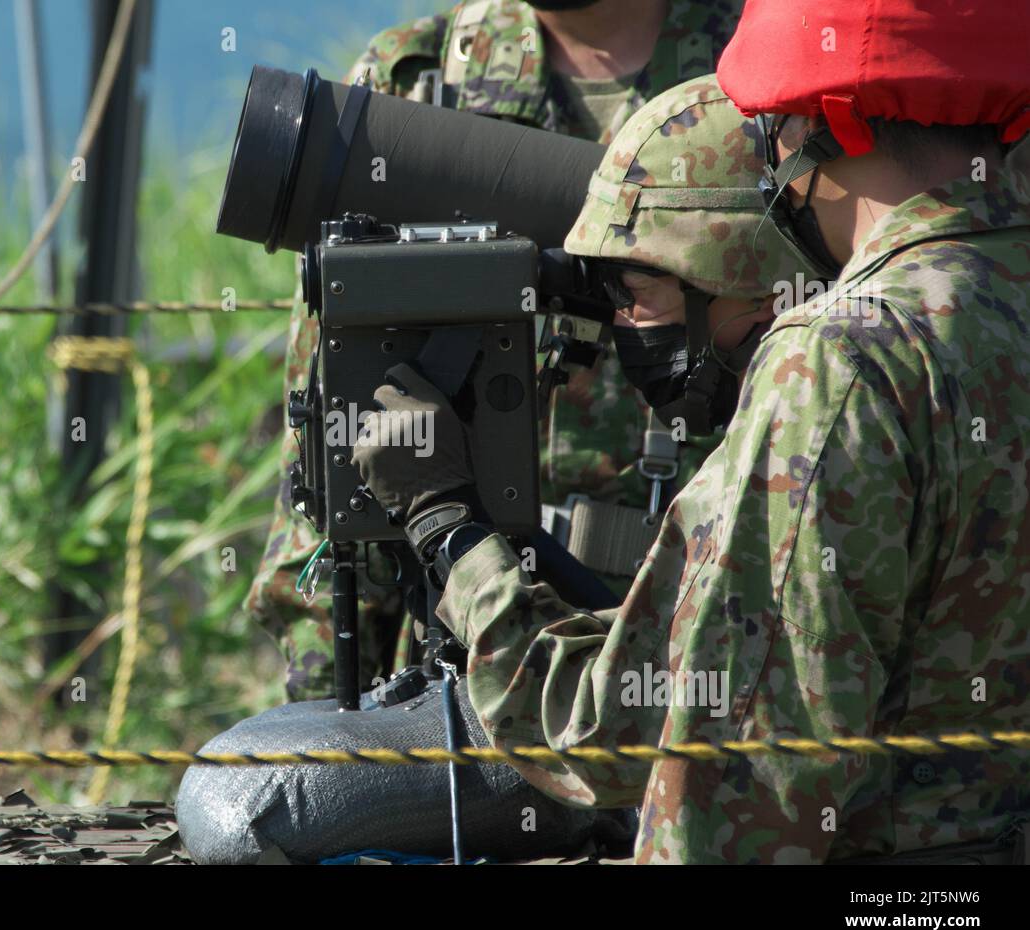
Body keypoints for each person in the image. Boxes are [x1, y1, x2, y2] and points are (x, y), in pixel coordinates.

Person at [355, 0, 1030, 864]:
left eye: (775, 130)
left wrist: (447, 525)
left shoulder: (842, 359)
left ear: (827, 126)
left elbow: (735, 785)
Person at [247, 0, 745, 702]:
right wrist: (334, 720)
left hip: (706, 649)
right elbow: (334, 454)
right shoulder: (418, 83)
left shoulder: (763, 76)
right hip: (458, 649)